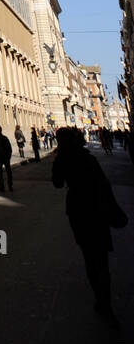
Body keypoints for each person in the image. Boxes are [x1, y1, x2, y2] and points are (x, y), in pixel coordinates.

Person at [52, 126, 128, 319]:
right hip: (97, 210)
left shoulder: (63, 158)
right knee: (101, 259)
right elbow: (104, 184)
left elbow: (58, 183)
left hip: (79, 211)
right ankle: (106, 301)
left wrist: (58, 160)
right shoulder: (88, 157)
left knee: (89, 256)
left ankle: (100, 299)